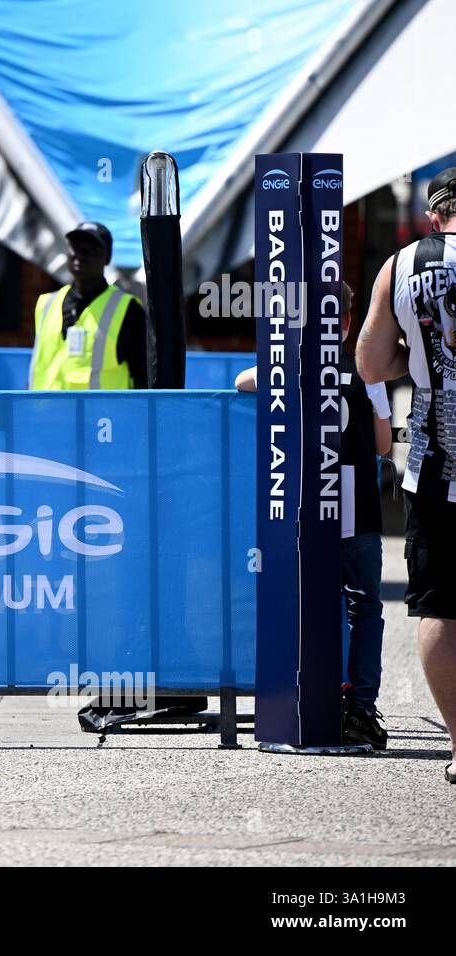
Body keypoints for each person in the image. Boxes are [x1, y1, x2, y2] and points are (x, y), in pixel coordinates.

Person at [236, 282, 392, 748]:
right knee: (364, 607)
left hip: (307, 507)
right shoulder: (368, 370)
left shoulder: (295, 368)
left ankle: (302, 696)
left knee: (303, 601)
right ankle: (361, 706)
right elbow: (383, 444)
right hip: (357, 507)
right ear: (346, 323)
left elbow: (244, 382)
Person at [358, 166, 456, 783]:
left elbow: (369, 362)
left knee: (441, 606)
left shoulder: (400, 265)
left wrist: (412, 358)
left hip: (434, 461)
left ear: (433, 213)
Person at [29, 221, 148, 390]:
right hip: (47, 415)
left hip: (101, 416)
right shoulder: (45, 304)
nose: (81, 254)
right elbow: (39, 366)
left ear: (107, 258)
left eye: (91, 247)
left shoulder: (129, 309)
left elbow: (142, 379)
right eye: (75, 246)